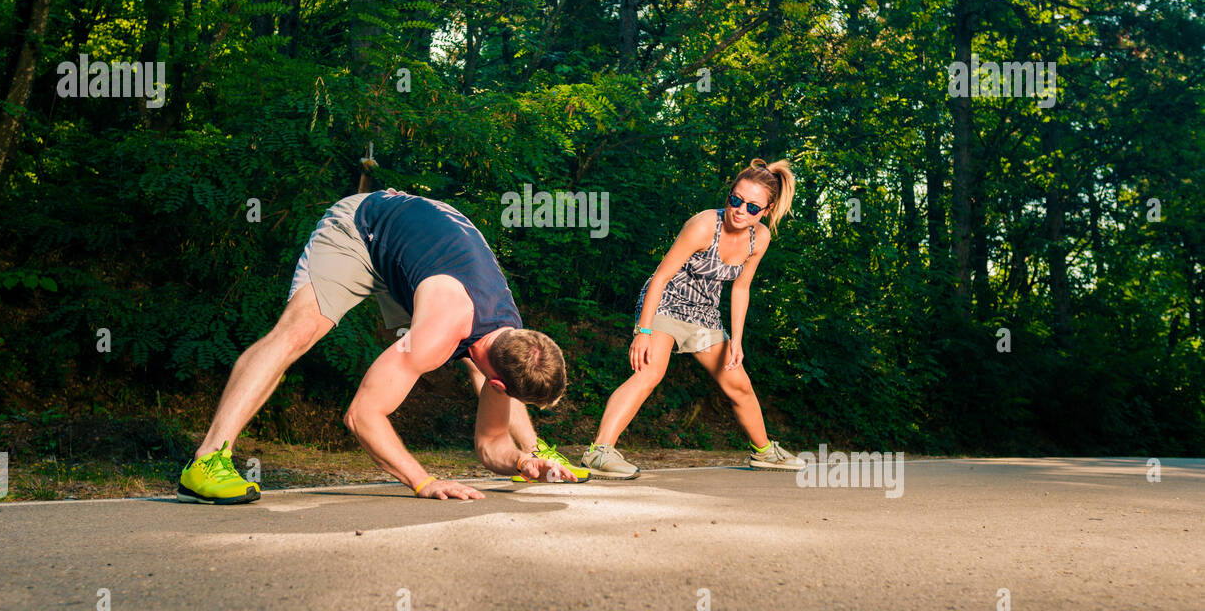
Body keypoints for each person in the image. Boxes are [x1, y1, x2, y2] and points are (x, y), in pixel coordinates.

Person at [178, 189, 586, 504]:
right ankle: (206, 461)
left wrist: (521, 461)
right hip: (364, 227)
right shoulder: (440, 331)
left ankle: (537, 448)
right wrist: (422, 480)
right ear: (501, 388)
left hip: (419, 251)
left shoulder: (507, 335)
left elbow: (491, 445)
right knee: (297, 332)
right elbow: (361, 414)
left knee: (476, 364)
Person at [581, 159, 806, 479]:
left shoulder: (760, 239)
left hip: (704, 315)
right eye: (735, 199)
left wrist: (737, 341)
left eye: (752, 207)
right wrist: (642, 331)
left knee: (738, 383)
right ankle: (599, 451)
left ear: (766, 211)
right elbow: (660, 278)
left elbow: (741, 288)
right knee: (650, 372)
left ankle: (764, 451)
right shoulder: (703, 225)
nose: (740, 210)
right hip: (665, 304)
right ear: (729, 195)